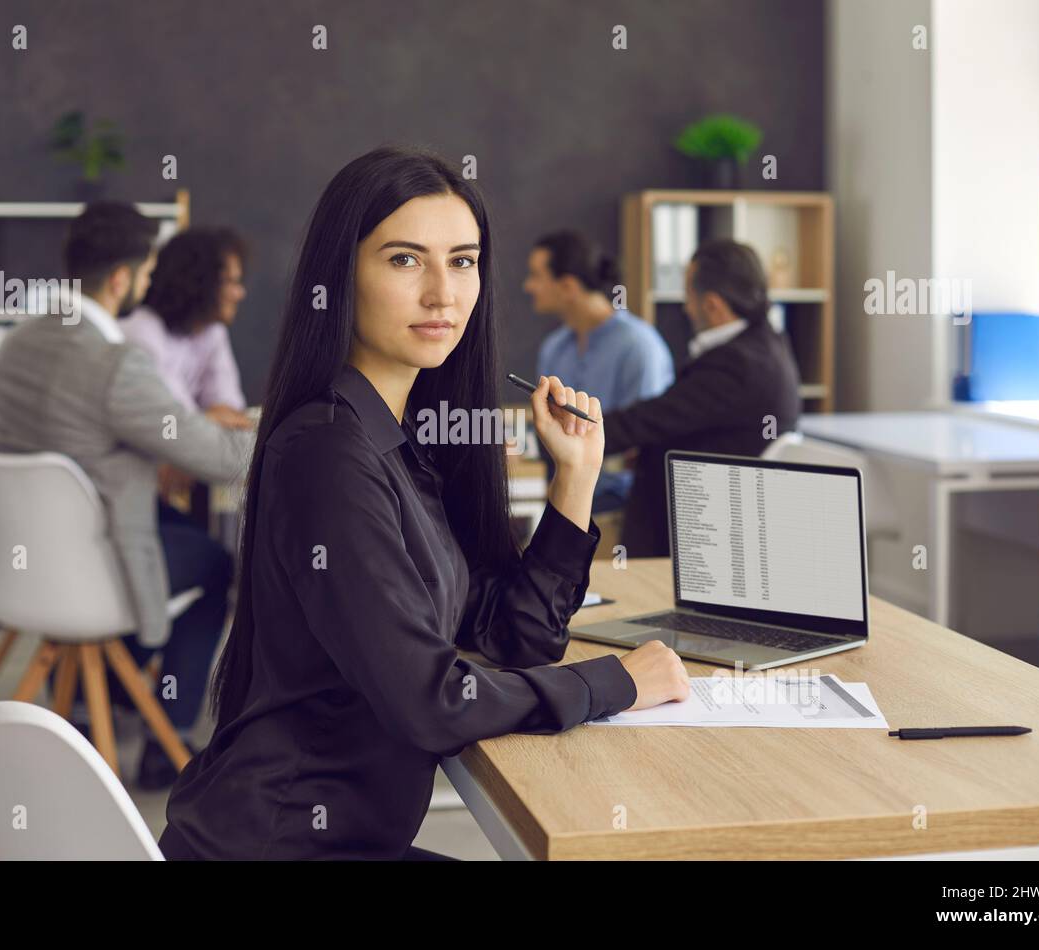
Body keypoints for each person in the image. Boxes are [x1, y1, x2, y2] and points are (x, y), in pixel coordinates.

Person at [157, 146, 689, 861]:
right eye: (405, 260)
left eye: (463, 261)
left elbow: (510, 642)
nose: (443, 292)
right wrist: (614, 682)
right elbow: (429, 701)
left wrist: (575, 479)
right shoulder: (327, 452)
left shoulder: (396, 444)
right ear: (340, 277)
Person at [0, 201, 255, 789]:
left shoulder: (15, 344)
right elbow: (217, 459)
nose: (148, 282)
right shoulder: (113, 365)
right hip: (89, 564)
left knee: (178, 536)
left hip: (21, 562)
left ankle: (97, 694)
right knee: (215, 564)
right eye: (145, 271)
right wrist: (295, 434)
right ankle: (166, 732)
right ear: (121, 279)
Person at [601, 239, 802, 557]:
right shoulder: (768, 344)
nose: (685, 308)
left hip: (705, 524)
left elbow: (651, 419)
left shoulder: (738, 364)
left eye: (689, 297)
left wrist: (577, 431)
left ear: (712, 305)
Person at [526, 230, 674, 512]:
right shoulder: (554, 347)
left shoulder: (639, 346)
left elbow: (640, 443)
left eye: (536, 276)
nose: (528, 286)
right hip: (562, 493)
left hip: (624, 506)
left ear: (568, 286)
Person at [120, 227, 250, 423]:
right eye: (228, 282)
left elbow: (231, 408)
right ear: (196, 282)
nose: (240, 293)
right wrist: (210, 418)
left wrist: (210, 418)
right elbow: (175, 423)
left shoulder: (212, 330)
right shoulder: (142, 331)